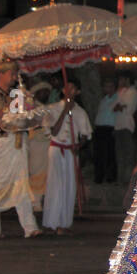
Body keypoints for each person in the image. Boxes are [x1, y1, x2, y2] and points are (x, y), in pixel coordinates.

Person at [0, 62, 41, 239]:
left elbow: (28, 117)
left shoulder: (18, 94)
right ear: (1, 74)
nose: (15, 77)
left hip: (16, 142)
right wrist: (6, 109)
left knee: (21, 182)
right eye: (12, 73)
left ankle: (30, 227)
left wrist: (28, 106)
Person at [42, 77, 91, 234]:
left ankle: (64, 223)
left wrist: (79, 145)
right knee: (55, 185)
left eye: (73, 88)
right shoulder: (53, 108)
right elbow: (53, 131)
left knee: (69, 186)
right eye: (67, 88)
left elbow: (85, 134)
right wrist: (65, 111)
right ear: (63, 90)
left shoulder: (80, 112)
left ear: (77, 92)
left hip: (70, 151)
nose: (69, 91)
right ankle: (51, 222)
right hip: (56, 150)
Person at [26, 81, 53, 212]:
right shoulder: (31, 107)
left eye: (47, 92)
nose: (46, 94)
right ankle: (34, 201)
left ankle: (38, 200)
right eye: (43, 92)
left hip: (45, 143)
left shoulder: (45, 107)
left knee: (44, 173)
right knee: (36, 172)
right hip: (36, 141)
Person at [112, 73, 137, 181]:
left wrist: (120, 106)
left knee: (129, 154)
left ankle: (129, 179)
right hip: (118, 125)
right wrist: (120, 106)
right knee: (120, 154)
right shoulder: (121, 92)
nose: (119, 81)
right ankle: (120, 178)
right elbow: (114, 107)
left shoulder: (133, 92)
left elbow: (128, 108)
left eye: (121, 79)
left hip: (127, 126)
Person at [92, 78, 118, 184]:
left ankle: (110, 177)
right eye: (106, 86)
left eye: (110, 86)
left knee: (109, 154)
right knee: (98, 154)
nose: (107, 88)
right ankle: (99, 176)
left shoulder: (118, 98)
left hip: (109, 128)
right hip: (99, 128)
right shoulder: (104, 99)